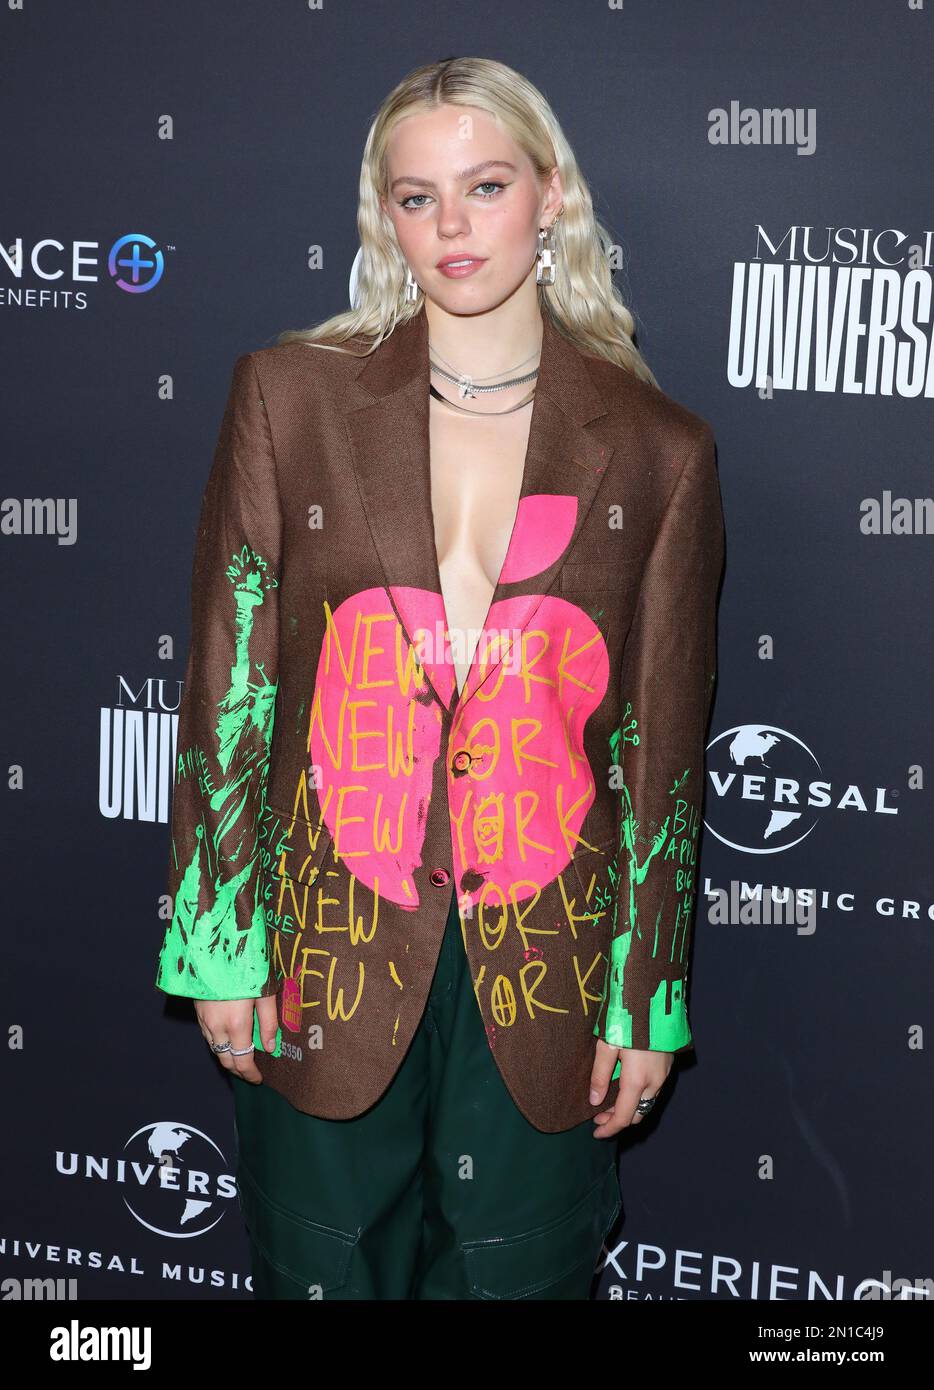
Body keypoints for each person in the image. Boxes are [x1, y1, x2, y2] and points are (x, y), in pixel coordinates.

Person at [155, 55, 726, 1301]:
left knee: (518, 1278)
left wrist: (649, 998)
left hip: (548, 958)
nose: (453, 226)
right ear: (382, 217)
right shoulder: (289, 396)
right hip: (327, 936)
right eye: (416, 198)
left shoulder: (658, 449)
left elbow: (660, 751)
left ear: (552, 193)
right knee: (322, 1267)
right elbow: (231, 681)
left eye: (485, 184)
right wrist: (216, 943)